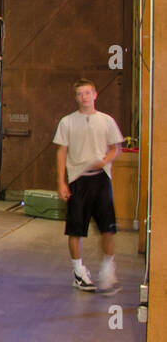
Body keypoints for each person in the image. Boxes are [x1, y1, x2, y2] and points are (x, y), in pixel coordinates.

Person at [53, 78, 123, 292]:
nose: (84, 97)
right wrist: (61, 182)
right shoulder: (67, 122)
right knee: (75, 229)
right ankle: (79, 272)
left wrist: (106, 159)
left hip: (101, 178)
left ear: (95, 95)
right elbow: (61, 152)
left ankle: (108, 269)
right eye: (80, 94)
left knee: (108, 229)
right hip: (77, 181)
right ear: (76, 98)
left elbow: (115, 147)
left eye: (87, 93)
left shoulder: (107, 121)